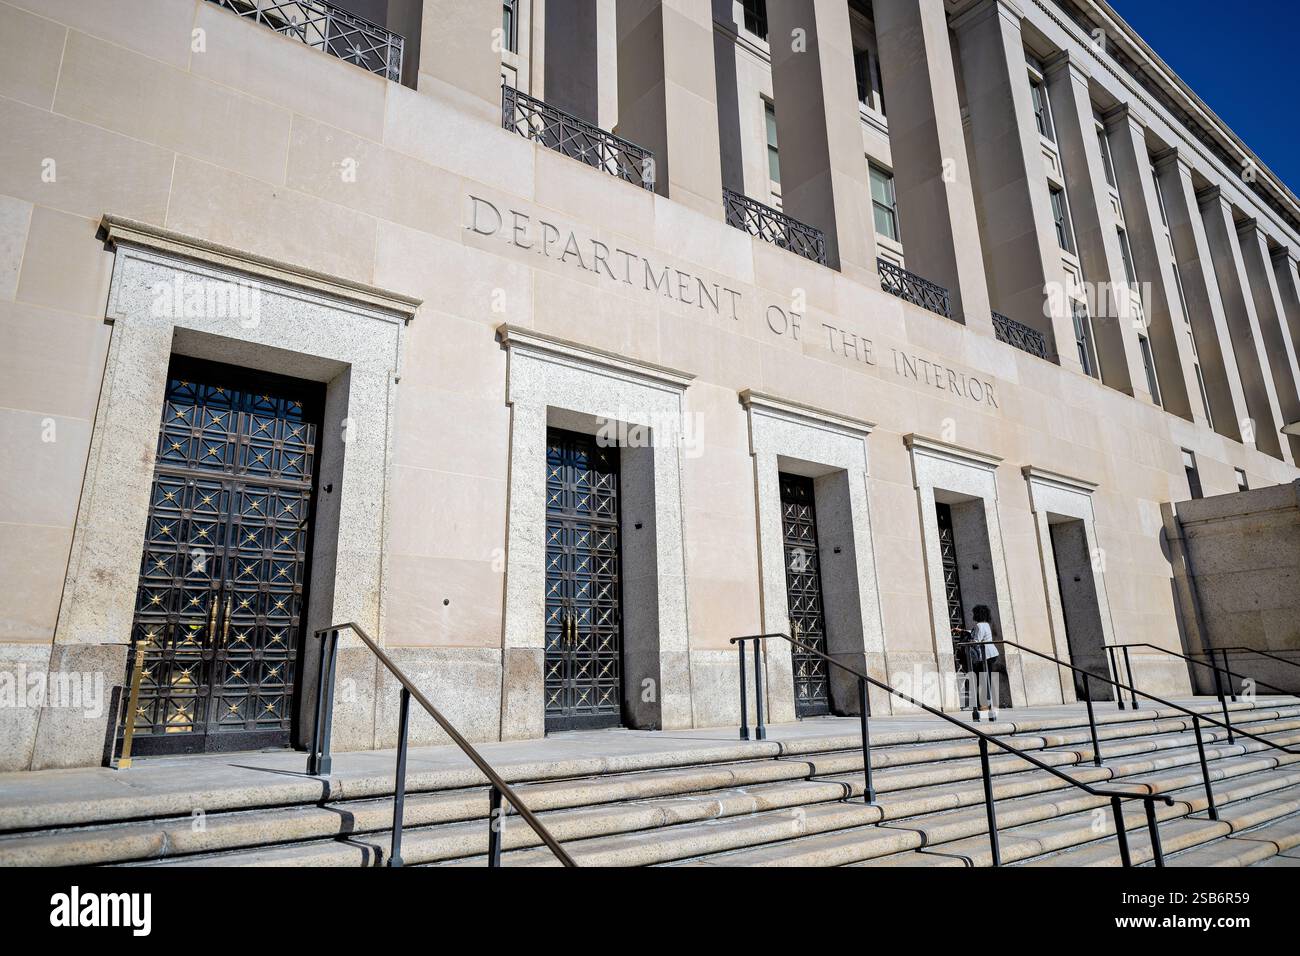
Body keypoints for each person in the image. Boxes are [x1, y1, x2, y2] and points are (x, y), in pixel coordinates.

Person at [968, 605, 999, 722]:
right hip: (991, 654)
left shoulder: (979, 625)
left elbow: (976, 640)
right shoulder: (986, 624)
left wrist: (968, 640)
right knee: (986, 679)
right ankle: (986, 705)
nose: (972, 615)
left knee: (982, 680)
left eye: (974, 613)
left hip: (985, 655)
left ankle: (984, 706)